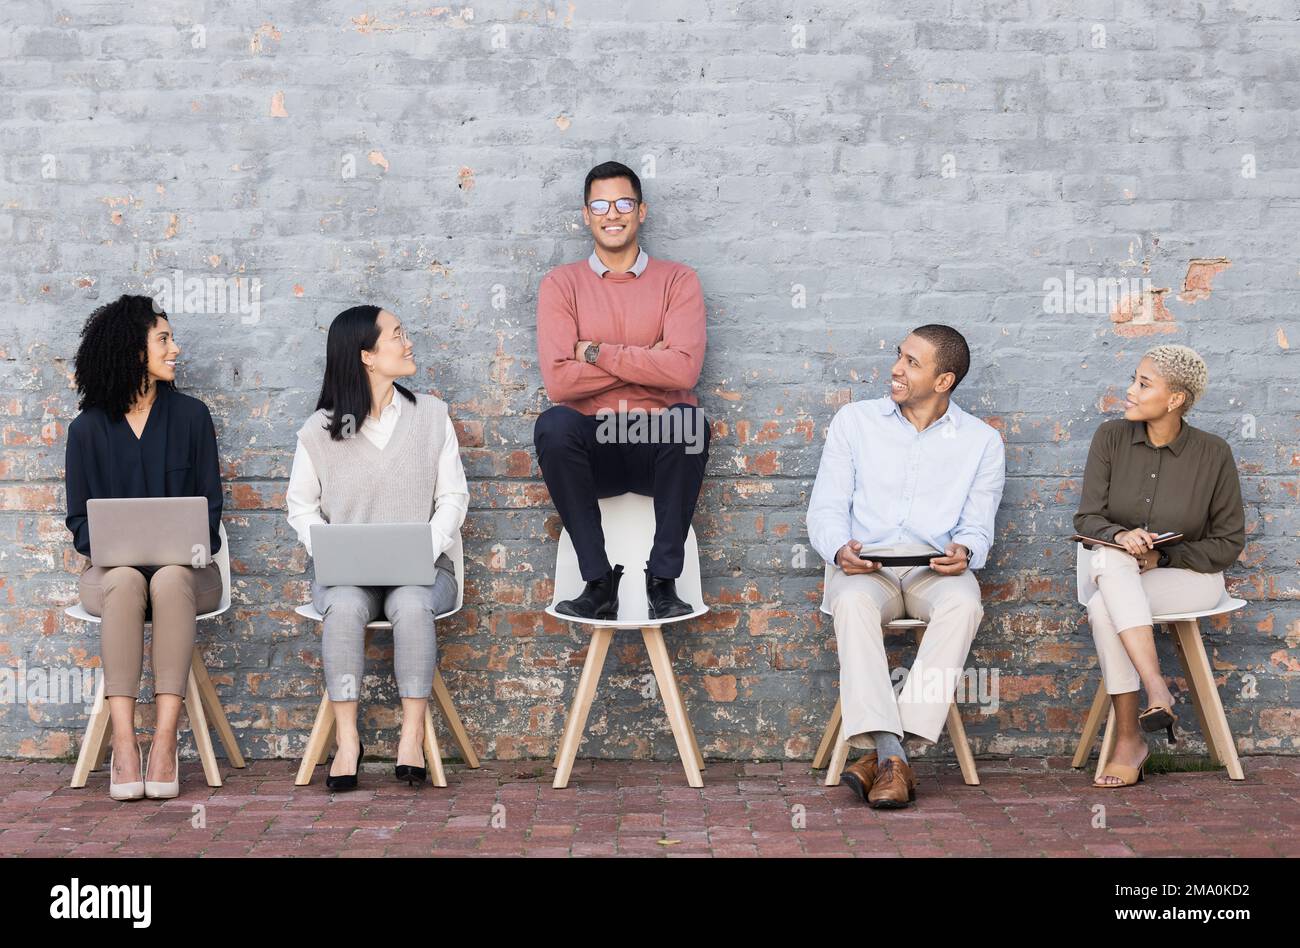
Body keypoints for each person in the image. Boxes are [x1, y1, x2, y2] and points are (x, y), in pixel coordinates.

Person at [806, 325, 1005, 809]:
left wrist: (966, 551)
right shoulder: (855, 422)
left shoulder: (981, 442)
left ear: (944, 381)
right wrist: (838, 550)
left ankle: (885, 756)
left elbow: (979, 525)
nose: (896, 368)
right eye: (900, 356)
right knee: (850, 603)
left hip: (932, 573)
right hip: (863, 570)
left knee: (964, 604)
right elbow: (825, 508)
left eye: (913, 362)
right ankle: (896, 757)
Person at [287, 305, 468, 790]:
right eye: (397, 335)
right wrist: (325, 545)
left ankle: (411, 739)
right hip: (348, 575)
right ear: (366, 355)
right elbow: (300, 507)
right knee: (343, 607)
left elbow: (453, 496)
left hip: (425, 571)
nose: (408, 343)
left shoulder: (431, 416)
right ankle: (349, 741)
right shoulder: (321, 430)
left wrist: (424, 545)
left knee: (410, 604)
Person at [533, 160, 709, 620]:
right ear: (587, 214)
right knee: (554, 425)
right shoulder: (561, 284)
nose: (613, 213)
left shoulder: (678, 280)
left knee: (689, 422)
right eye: (601, 204)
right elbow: (558, 381)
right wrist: (649, 359)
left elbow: (685, 372)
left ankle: (663, 581)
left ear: (642, 211)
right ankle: (598, 582)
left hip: (657, 448)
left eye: (624, 202)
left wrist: (594, 352)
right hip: (595, 451)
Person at [65, 294, 224, 801]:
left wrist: (181, 550)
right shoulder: (86, 430)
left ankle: (162, 740)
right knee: (127, 578)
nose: (175, 349)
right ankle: (124, 743)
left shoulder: (192, 417)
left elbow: (210, 514)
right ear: (134, 350)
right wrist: (124, 551)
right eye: (163, 340)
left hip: (189, 574)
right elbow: (79, 523)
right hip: (111, 578)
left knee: (172, 575)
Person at [1075, 344, 1244, 788]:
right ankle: (1153, 695)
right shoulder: (1110, 437)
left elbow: (1228, 544)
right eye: (1134, 379)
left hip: (1191, 581)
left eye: (1143, 384)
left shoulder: (1213, 454)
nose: (1129, 391)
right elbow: (1087, 517)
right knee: (1109, 575)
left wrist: (1163, 555)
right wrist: (1119, 536)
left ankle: (1133, 736)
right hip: (1121, 575)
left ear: (1175, 399)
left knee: (1105, 606)